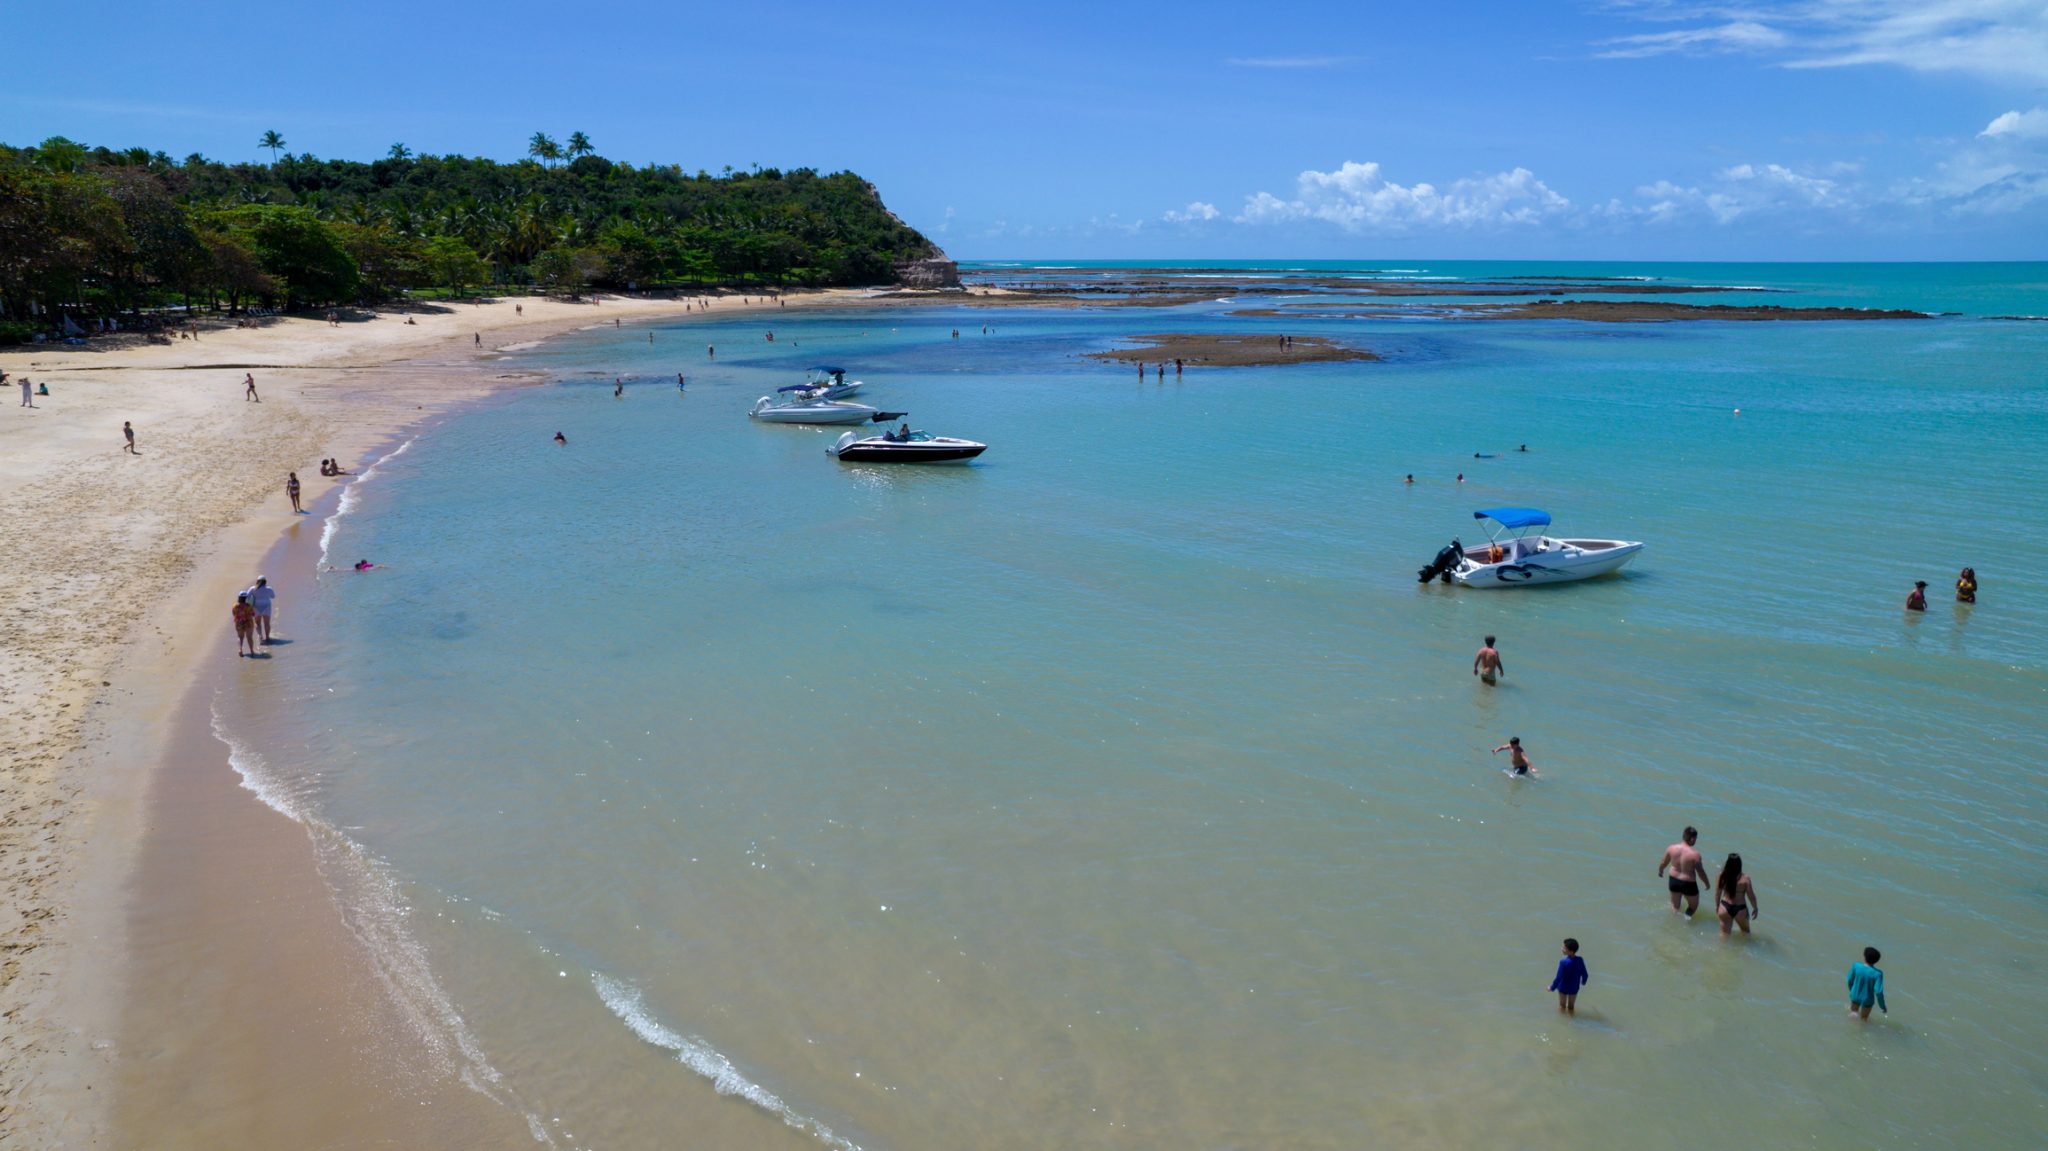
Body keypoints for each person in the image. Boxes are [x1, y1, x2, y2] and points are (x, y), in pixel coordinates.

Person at [1658, 827, 1707, 917]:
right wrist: (1707, 884)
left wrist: (1660, 871)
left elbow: (1663, 862)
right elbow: (1701, 872)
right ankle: (1686, 920)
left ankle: (1674, 921)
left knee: (1675, 906)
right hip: (1688, 883)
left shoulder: (1671, 848)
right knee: (1693, 906)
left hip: (1674, 881)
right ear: (1692, 839)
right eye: (1695, 839)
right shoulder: (1695, 854)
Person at [1714, 852, 1758, 936]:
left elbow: (1717, 894)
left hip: (1724, 907)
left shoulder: (1722, 876)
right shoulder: (1745, 879)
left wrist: (1717, 906)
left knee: (1724, 934)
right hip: (1740, 909)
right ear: (1739, 865)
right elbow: (1751, 896)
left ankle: (1722, 949)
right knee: (1746, 933)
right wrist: (1755, 908)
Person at [1549, 938, 1589, 1015]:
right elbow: (1585, 974)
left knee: (1562, 1006)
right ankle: (1571, 1020)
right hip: (1574, 988)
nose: (1562, 948)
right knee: (1571, 1007)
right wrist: (1583, 982)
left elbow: (1559, 977)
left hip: (1563, 988)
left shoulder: (1563, 962)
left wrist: (1552, 987)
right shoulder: (1580, 960)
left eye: (1564, 948)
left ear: (1570, 951)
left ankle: (1562, 1022)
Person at [1847, 947, 1887, 1020]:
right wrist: (1882, 1006)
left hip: (1855, 996)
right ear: (1876, 961)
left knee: (1853, 1015)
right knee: (1864, 1019)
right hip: (1867, 1000)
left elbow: (1849, 980)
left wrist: (1852, 991)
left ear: (1864, 956)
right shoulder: (1878, 974)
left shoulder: (1856, 966)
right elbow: (1878, 992)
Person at [244, 576, 277, 644]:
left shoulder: (253, 588)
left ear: (257, 581)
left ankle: (260, 636)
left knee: (257, 623)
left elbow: (247, 596)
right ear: (265, 582)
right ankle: (267, 637)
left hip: (256, 607)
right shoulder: (269, 589)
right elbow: (273, 596)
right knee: (267, 623)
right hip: (267, 607)